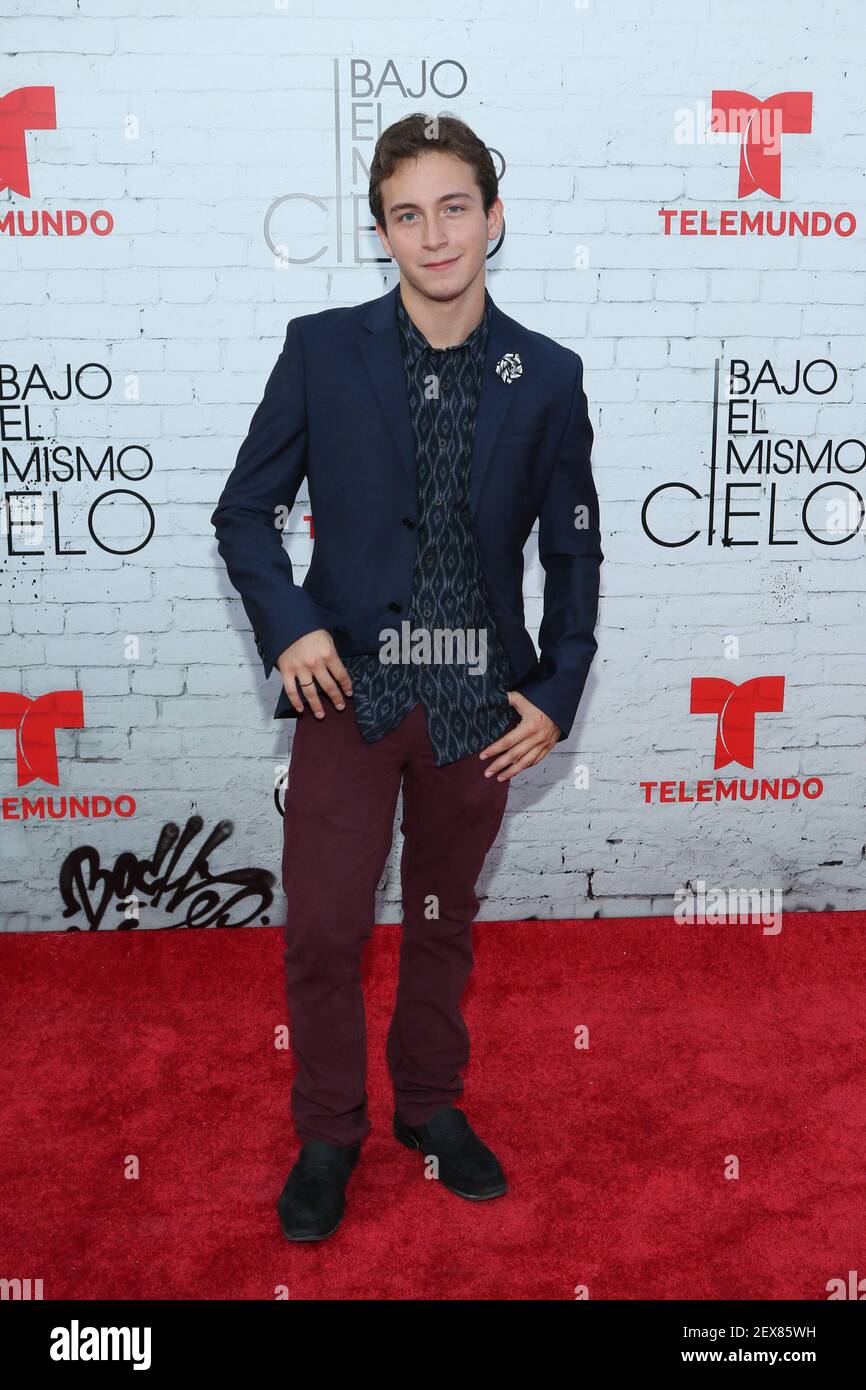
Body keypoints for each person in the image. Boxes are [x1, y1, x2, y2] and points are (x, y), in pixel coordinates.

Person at [210, 111, 603, 1242]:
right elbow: (246, 510)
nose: (432, 234)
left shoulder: (547, 374)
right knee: (326, 929)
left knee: (440, 920)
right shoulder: (322, 349)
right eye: (405, 214)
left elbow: (572, 544)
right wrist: (288, 626)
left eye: (452, 207)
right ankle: (329, 1129)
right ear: (379, 231)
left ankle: (427, 1106)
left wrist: (556, 686)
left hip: (480, 705)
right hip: (350, 693)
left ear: (492, 217)